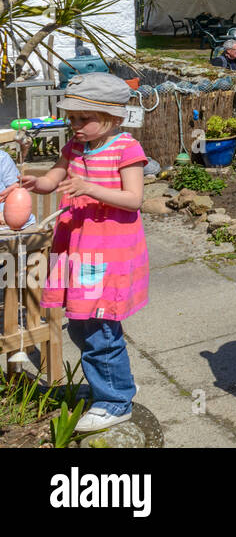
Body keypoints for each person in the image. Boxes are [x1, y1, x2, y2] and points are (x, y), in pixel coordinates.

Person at [18, 74, 148, 433]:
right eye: (71, 118)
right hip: (79, 250)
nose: (74, 125)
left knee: (98, 329)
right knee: (81, 323)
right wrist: (36, 182)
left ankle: (115, 401)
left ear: (112, 118)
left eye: (82, 118)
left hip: (107, 254)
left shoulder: (126, 149)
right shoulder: (74, 149)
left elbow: (134, 199)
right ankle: (113, 387)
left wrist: (90, 187)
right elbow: (53, 180)